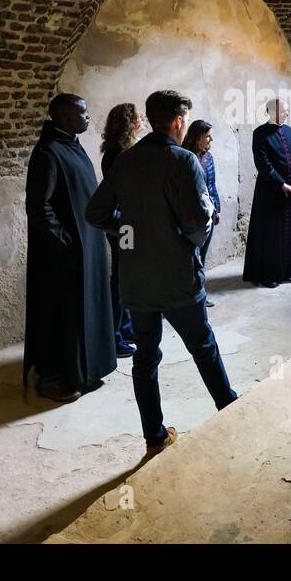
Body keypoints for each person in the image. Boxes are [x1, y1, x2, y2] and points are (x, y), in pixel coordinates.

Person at [86, 90, 238, 457]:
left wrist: (129, 228)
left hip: (136, 279)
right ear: (177, 121)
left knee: (145, 358)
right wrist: (181, 240)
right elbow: (198, 222)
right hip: (177, 277)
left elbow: (96, 213)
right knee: (203, 347)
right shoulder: (184, 160)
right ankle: (231, 414)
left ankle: (154, 438)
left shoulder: (125, 161)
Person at [23, 93, 117, 402]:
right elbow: (38, 207)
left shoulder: (72, 146)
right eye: (83, 113)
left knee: (84, 309)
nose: (89, 117)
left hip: (86, 246)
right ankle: (56, 376)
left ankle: (87, 369)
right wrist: (65, 240)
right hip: (63, 255)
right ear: (64, 117)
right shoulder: (48, 153)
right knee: (62, 314)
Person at [242, 98, 291, 288]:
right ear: (272, 112)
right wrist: (281, 184)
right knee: (269, 236)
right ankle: (268, 275)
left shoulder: (290, 132)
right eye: (284, 111)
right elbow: (263, 164)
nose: (286, 114)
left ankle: (286, 271)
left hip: (290, 193)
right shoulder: (260, 133)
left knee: (288, 233)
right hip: (269, 193)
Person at [100, 103, 143, 356]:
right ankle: (115, 337)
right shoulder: (119, 154)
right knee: (120, 280)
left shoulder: (121, 150)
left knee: (125, 277)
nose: (142, 120)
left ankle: (125, 328)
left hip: (123, 221)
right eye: (137, 118)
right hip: (122, 224)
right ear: (128, 122)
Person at [183, 119, 222, 307]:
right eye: (207, 136)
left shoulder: (208, 158)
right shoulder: (184, 156)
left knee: (202, 256)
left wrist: (216, 209)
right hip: (190, 216)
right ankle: (186, 296)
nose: (211, 139)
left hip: (207, 214)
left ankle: (199, 294)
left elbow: (211, 186)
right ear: (197, 137)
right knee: (190, 257)